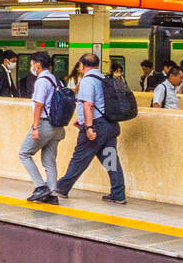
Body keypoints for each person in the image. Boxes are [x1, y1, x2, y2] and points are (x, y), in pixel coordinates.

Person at [54, 52, 126, 205]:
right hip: (110, 125)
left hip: (96, 125)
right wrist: (80, 120)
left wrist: (88, 127)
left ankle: (61, 187)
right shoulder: (103, 79)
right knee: (111, 159)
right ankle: (118, 193)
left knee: (80, 158)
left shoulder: (87, 81)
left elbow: (88, 105)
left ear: (81, 65)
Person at [18, 52, 65, 203]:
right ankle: (52, 194)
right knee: (49, 161)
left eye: (32, 64)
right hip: (58, 127)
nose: (31, 67)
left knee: (24, 153)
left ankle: (40, 187)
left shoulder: (42, 81)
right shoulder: (56, 80)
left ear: (37, 64)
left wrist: (35, 127)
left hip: (45, 124)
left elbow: (39, 104)